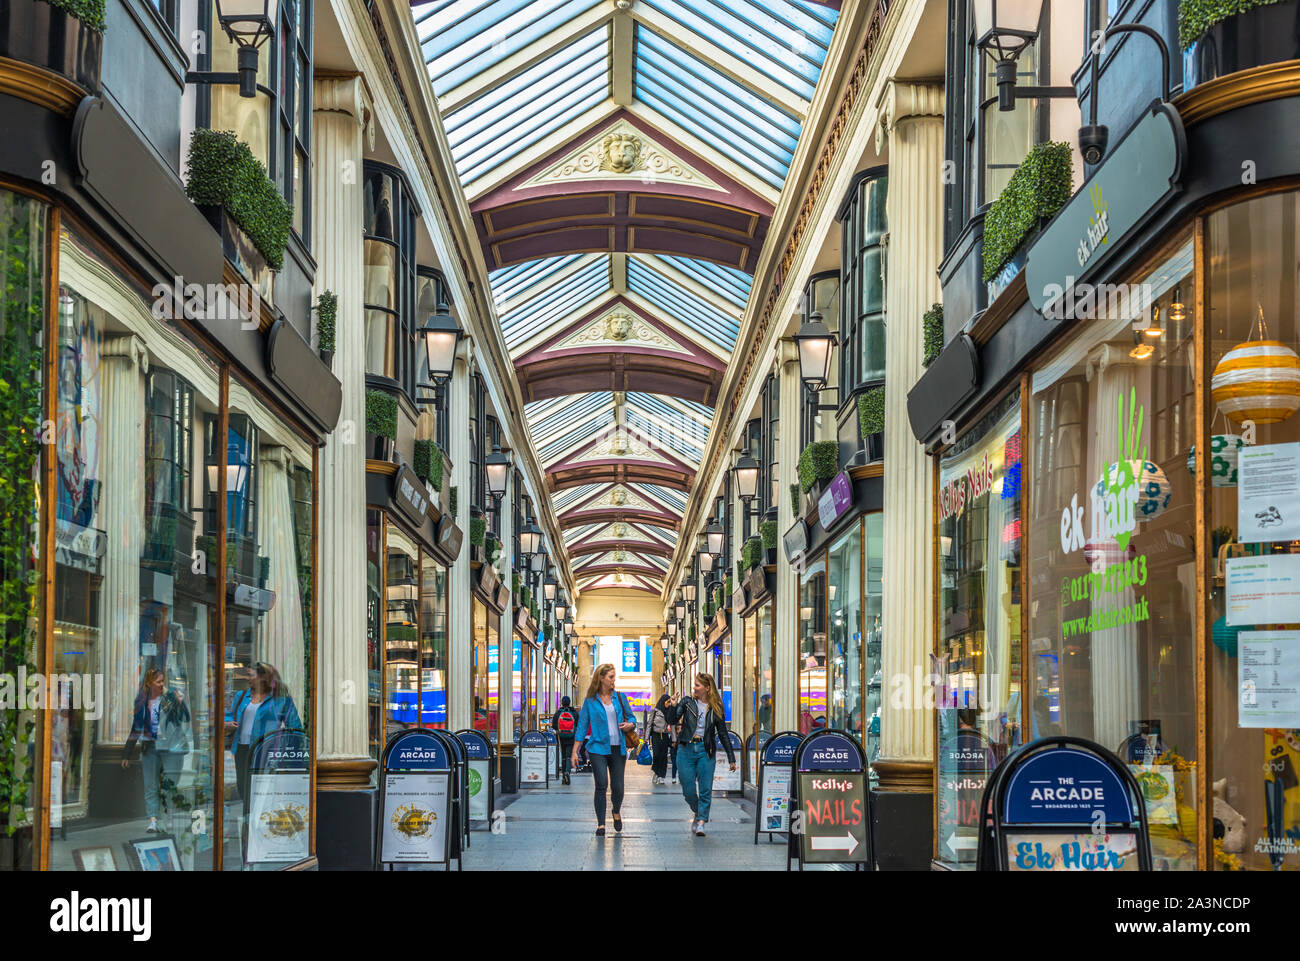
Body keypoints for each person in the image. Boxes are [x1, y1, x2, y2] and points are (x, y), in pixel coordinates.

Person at [225, 661, 302, 858]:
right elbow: (226, 717)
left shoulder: (280, 699)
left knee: (260, 793)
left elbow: (294, 726)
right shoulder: (242, 696)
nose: (248, 678)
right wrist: (228, 724)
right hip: (242, 750)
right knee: (244, 790)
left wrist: (284, 749)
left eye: (251, 675)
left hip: (266, 752)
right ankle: (253, 831)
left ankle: (256, 835)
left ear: (263, 677)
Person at [569, 663, 636, 837]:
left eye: (614, 676)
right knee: (601, 784)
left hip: (618, 748)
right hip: (597, 748)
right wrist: (575, 751)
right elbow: (582, 726)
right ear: (601, 678)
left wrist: (630, 724)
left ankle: (616, 811)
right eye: (611, 677)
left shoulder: (620, 698)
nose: (614, 680)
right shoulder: (590, 701)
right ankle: (600, 824)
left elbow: (632, 717)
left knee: (618, 787)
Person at [665, 673, 735, 837]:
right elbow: (673, 720)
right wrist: (674, 706)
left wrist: (731, 758)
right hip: (686, 749)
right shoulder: (687, 702)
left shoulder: (716, 707)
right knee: (688, 788)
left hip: (706, 750)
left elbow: (723, 734)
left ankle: (702, 821)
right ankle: (698, 811)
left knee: (705, 789)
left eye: (697, 685)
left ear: (707, 688)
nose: (694, 688)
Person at [121, 667, 190, 833]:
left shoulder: (170, 698)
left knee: (169, 785)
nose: (161, 684)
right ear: (149, 683)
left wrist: (180, 703)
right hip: (149, 746)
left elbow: (184, 718)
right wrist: (127, 753)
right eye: (158, 681)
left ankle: (169, 817)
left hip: (170, 747)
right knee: (150, 785)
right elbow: (136, 727)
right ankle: (153, 820)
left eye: (162, 681)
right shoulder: (141, 701)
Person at [552, 695, 579, 785]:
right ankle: (567, 771)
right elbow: (579, 725)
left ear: (562, 703)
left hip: (562, 737)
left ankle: (563, 775)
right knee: (569, 756)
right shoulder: (574, 713)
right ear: (569, 702)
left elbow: (554, 726)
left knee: (563, 756)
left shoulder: (558, 713)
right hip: (571, 737)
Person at [648, 695, 672, 785]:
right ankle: (656, 772)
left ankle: (662, 775)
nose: (669, 704)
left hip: (665, 736)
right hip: (656, 736)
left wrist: (673, 739)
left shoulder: (669, 712)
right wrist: (646, 738)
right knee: (657, 755)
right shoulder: (655, 711)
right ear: (663, 701)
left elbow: (673, 725)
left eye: (670, 702)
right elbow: (649, 724)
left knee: (663, 756)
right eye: (667, 702)